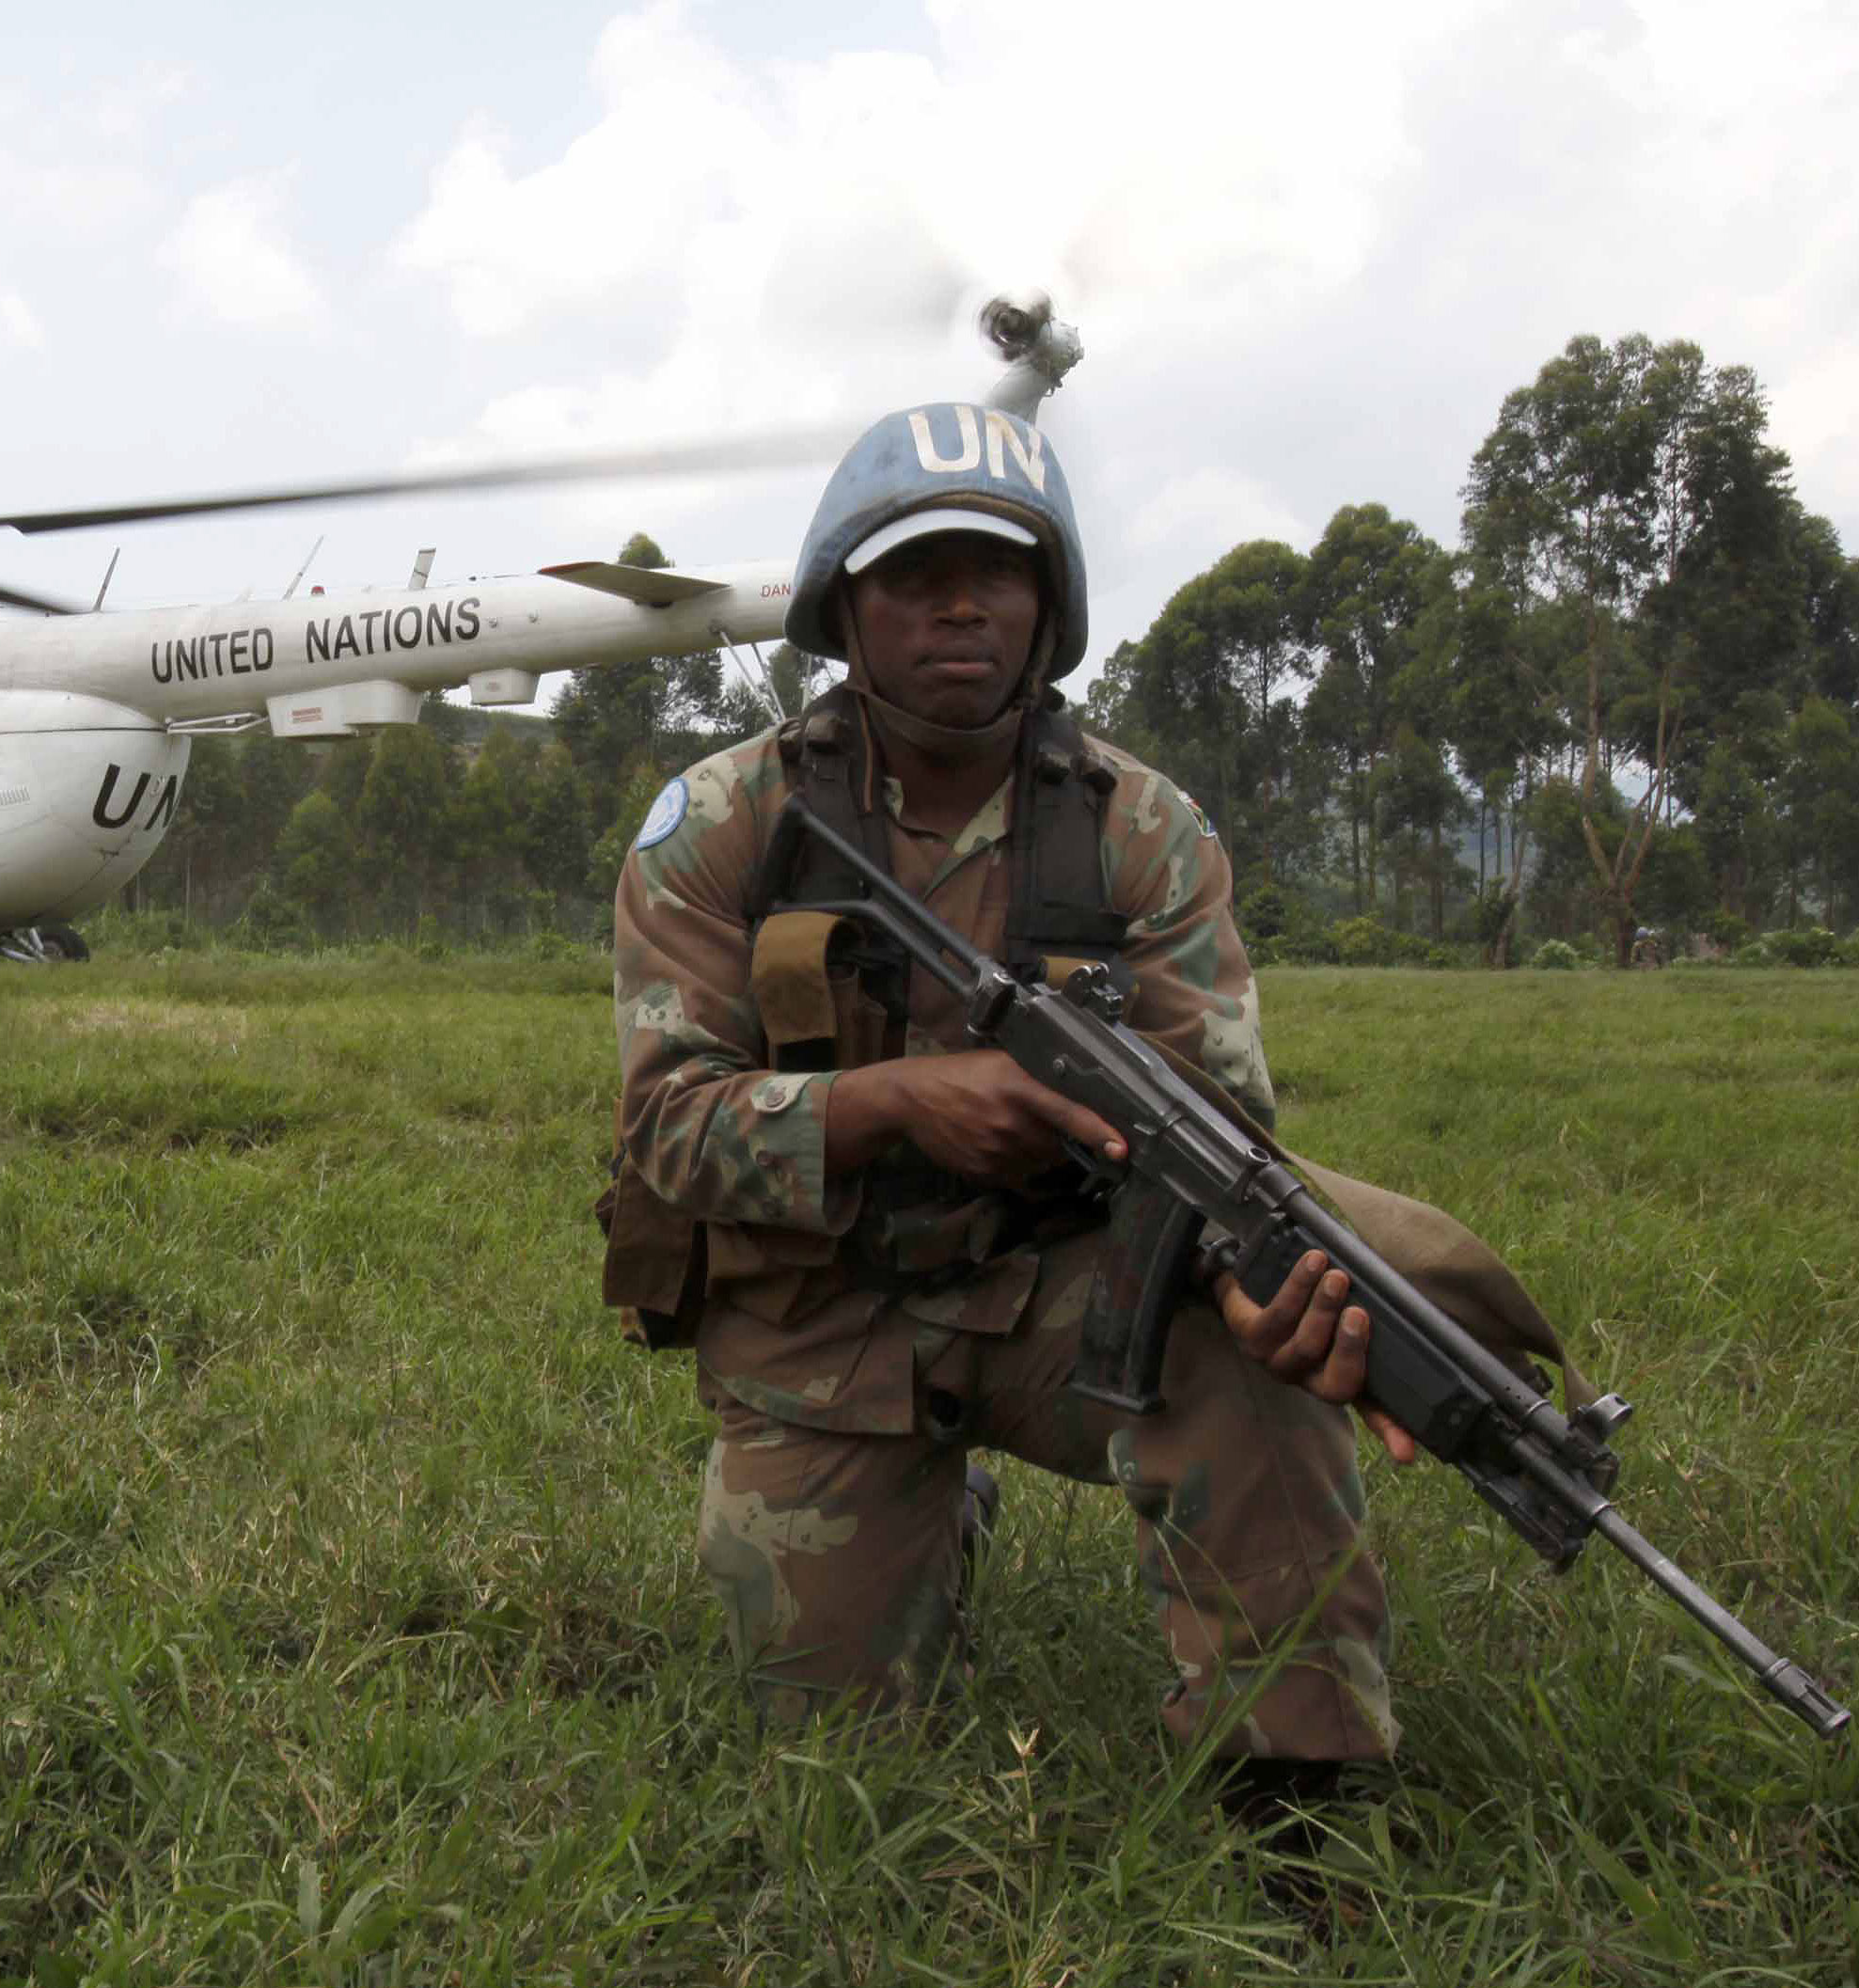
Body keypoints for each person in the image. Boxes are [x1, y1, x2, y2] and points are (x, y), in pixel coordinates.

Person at [604, 400, 1412, 1809]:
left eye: (1001, 570)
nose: (962, 605)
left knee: (1262, 1359)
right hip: (823, 1328)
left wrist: (1254, 1292)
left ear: (1052, 605)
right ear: (845, 608)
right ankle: (932, 1517)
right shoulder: (725, 822)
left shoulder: (1142, 831)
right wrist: (894, 1102)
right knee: (827, 1769)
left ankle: (1294, 1782)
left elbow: (1224, 1132)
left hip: (1068, 1291)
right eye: (916, 574)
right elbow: (668, 1128)